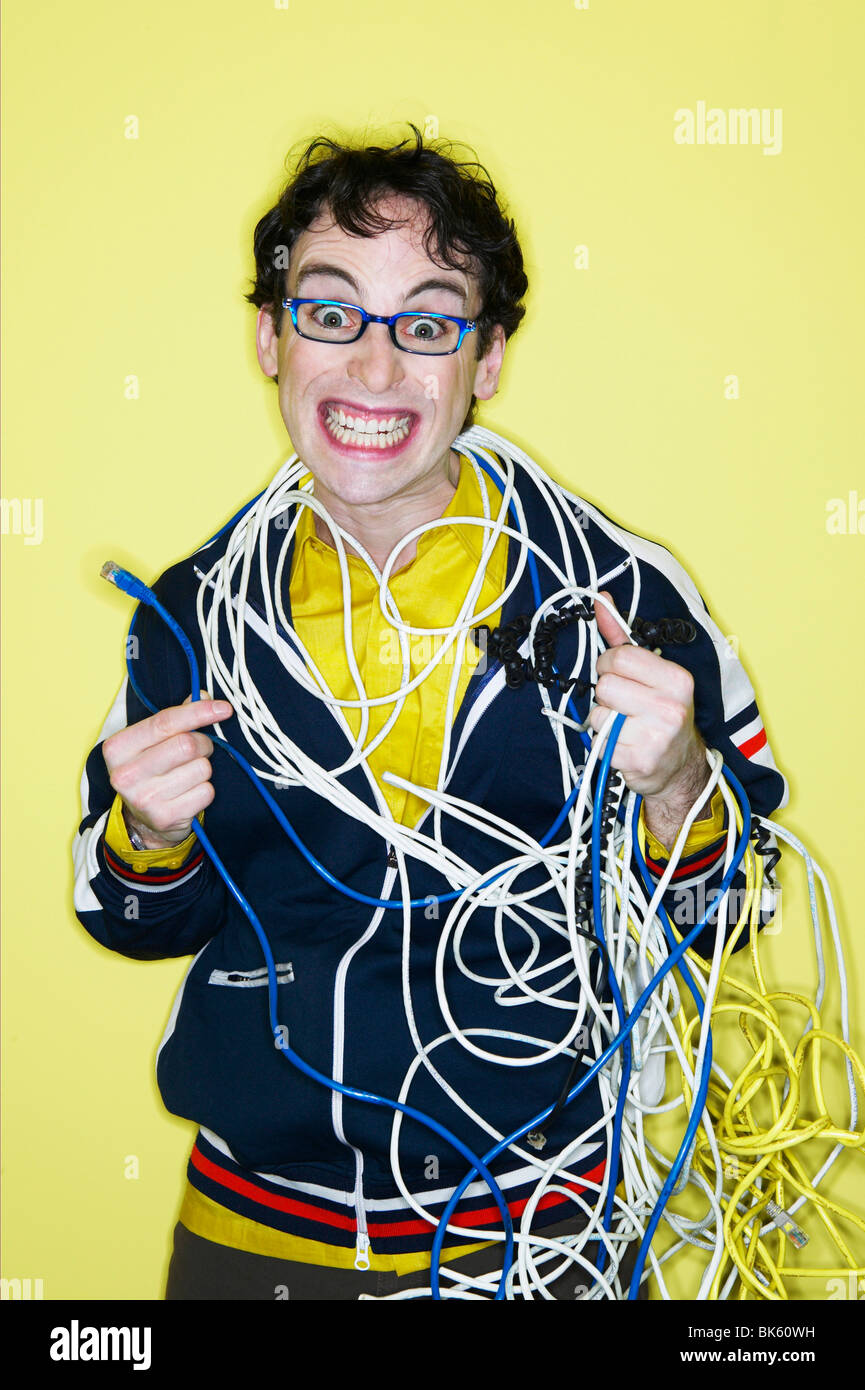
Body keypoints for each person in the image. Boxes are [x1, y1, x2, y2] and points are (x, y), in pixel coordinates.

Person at [73, 125, 787, 1301]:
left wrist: (675, 786)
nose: (374, 367)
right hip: (258, 1251)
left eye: (428, 322)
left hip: (541, 1249)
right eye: (331, 312)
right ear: (270, 337)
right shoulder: (193, 613)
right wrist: (147, 839)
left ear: (487, 358)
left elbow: (743, 904)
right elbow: (130, 918)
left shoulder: (621, 596)